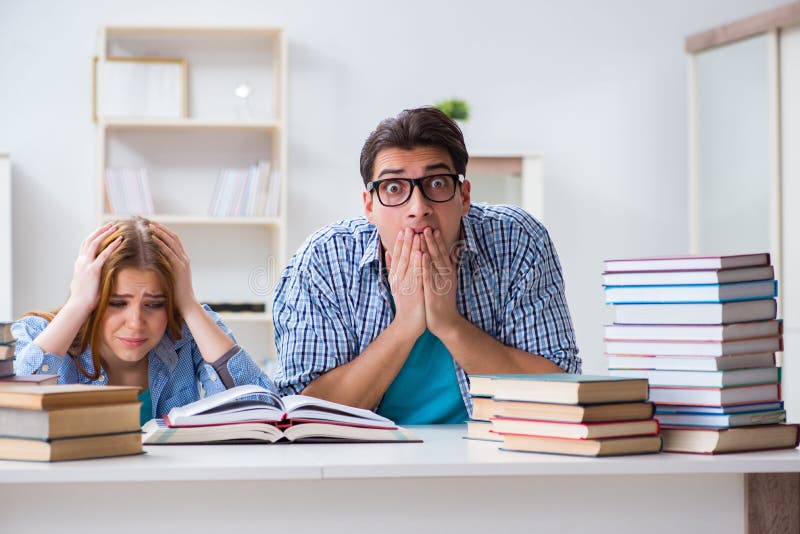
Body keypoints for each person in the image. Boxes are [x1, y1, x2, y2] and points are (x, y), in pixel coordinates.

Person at [273, 106, 580, 425]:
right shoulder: (324, 258)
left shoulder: (517, 239)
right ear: (369, 205)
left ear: (464, 196)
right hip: (364, 461)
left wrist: (448, 323)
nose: (418, 209)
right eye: (394, 188)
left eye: (436, 184)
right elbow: (302, 411)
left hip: (491, 454)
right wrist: (405, 325)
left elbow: (561, 387)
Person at [13, 217, 275, 425]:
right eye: (117, 303)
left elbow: (263, 409)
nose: (136, 322)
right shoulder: (38, 333)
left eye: (154, 304)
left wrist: (188, 303)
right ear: (94, 299)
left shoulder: (188, 332)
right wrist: (78, 304)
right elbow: (12, 410)